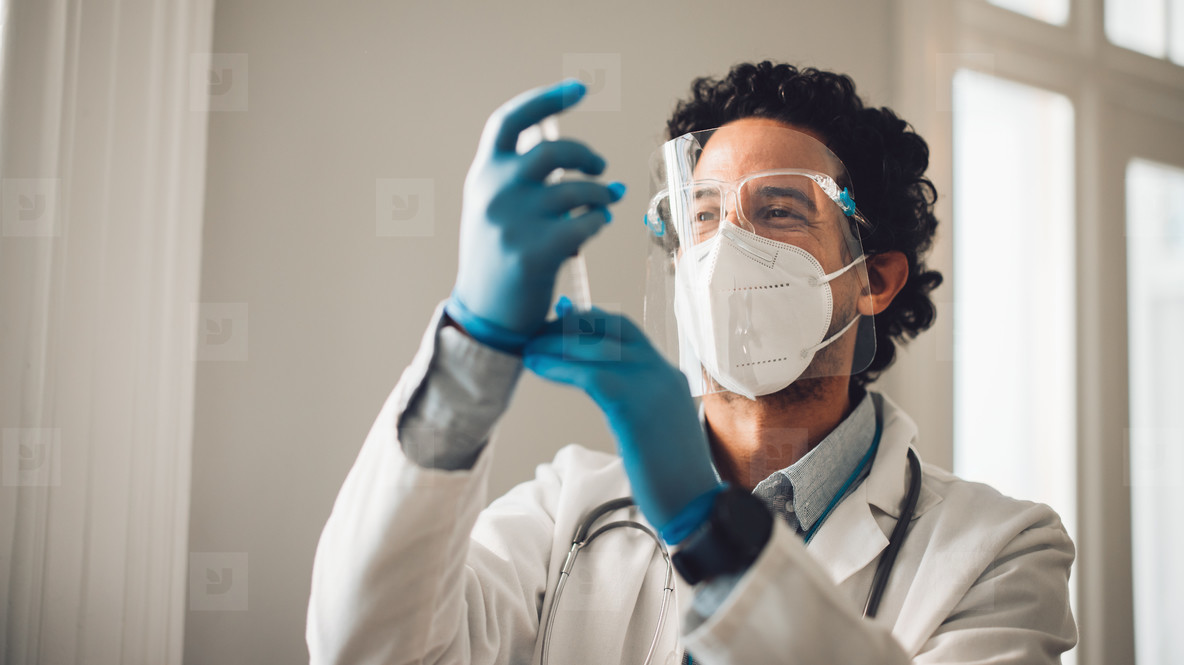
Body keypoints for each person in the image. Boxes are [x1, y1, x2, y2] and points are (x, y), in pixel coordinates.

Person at [306, 62, 1077, 664]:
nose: (722, 250)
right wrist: (467, 360)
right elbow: (369, 648)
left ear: (874, 279)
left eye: (777, 210)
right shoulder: (565, 511)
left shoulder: (999, 551)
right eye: (702, 215)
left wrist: (713, 531)